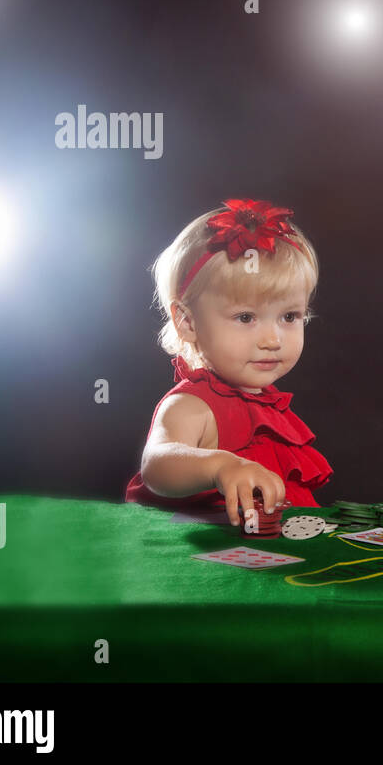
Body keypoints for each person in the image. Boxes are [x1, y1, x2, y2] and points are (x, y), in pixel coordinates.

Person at [126, 198, 331, 525]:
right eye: (246, 317)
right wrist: (221, 465)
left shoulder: (271, 409)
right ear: (188, 322)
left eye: (289, 316)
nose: (272, 339)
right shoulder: (191, 405)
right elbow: (157, 464)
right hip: (201, 563)